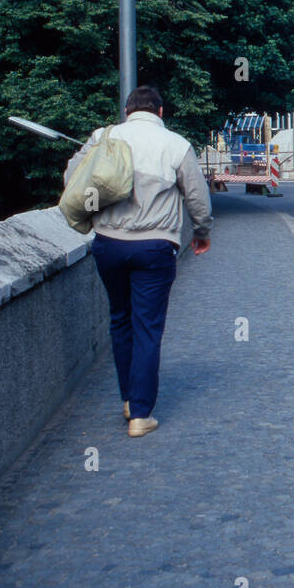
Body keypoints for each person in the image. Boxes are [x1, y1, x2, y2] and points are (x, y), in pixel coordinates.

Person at [65, 85, 213, 438]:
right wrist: (202, 232)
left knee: (120, 320)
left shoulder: (103, 137)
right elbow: (197, 197)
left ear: (127, 111)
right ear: (160, 112)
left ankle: (129, 400)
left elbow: (72, 178)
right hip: (154, 247)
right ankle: (141, 414)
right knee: (147, 327)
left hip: (109, 244)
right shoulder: (176, 145)